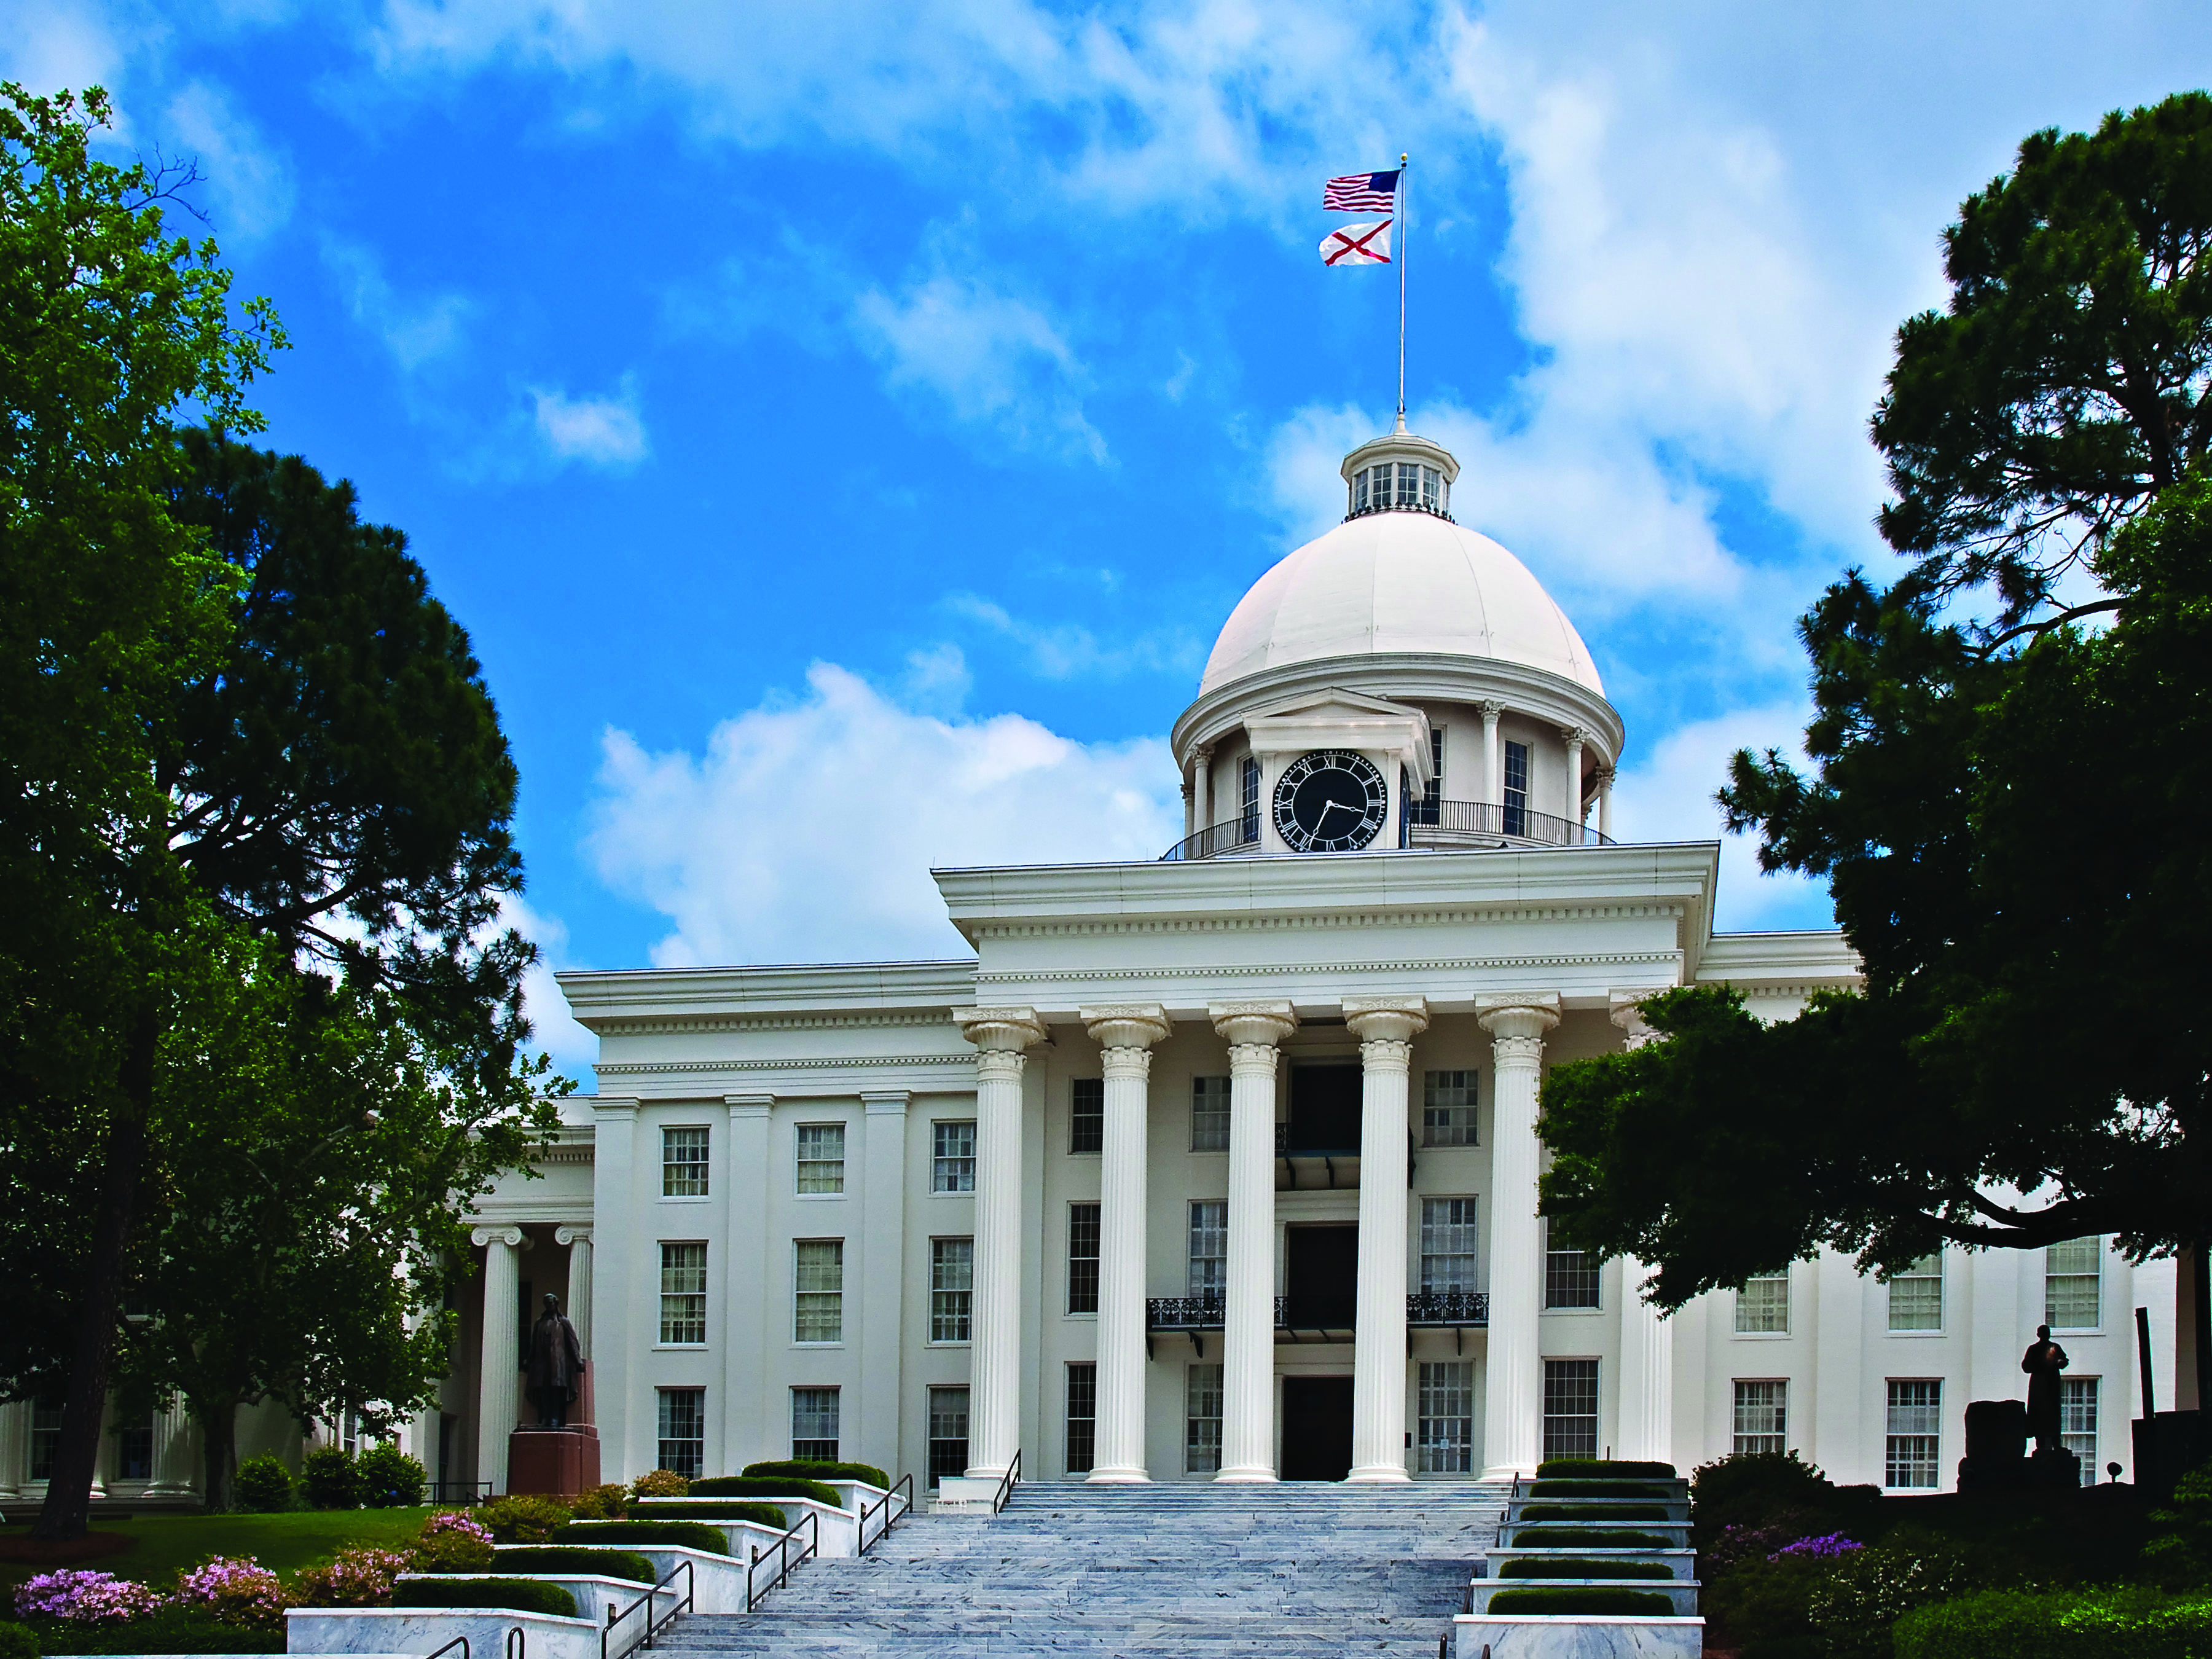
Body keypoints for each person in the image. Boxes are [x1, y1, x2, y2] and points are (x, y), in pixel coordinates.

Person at [527, 1292, 586, 1427]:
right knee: (543, 1388)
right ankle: (545, 1417)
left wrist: (578, 1360)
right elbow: (534, 1345)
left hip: (558, 1362)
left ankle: (555, 1417)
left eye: (551, 1303)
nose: (548, 1305)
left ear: (556, 1303)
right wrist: (529, 1360)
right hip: (542, 1361)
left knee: (556, 1388)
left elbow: (572, 1342)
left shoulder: (563, 1322)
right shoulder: (539, 1323)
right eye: (546, 1303)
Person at [2022, 1323, 2071, 1454]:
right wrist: (2042, 1365)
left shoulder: (2055, 1347)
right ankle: (2041, 1444)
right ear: (2039, 1335)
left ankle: (2056, 1443)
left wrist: (2060, 1363)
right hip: (2039, 1386)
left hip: (2051, 1385)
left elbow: (2064, 1361)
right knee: (2039, 1413)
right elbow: (2026, 1367)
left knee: (2053, 1414)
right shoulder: (2033, 1349)